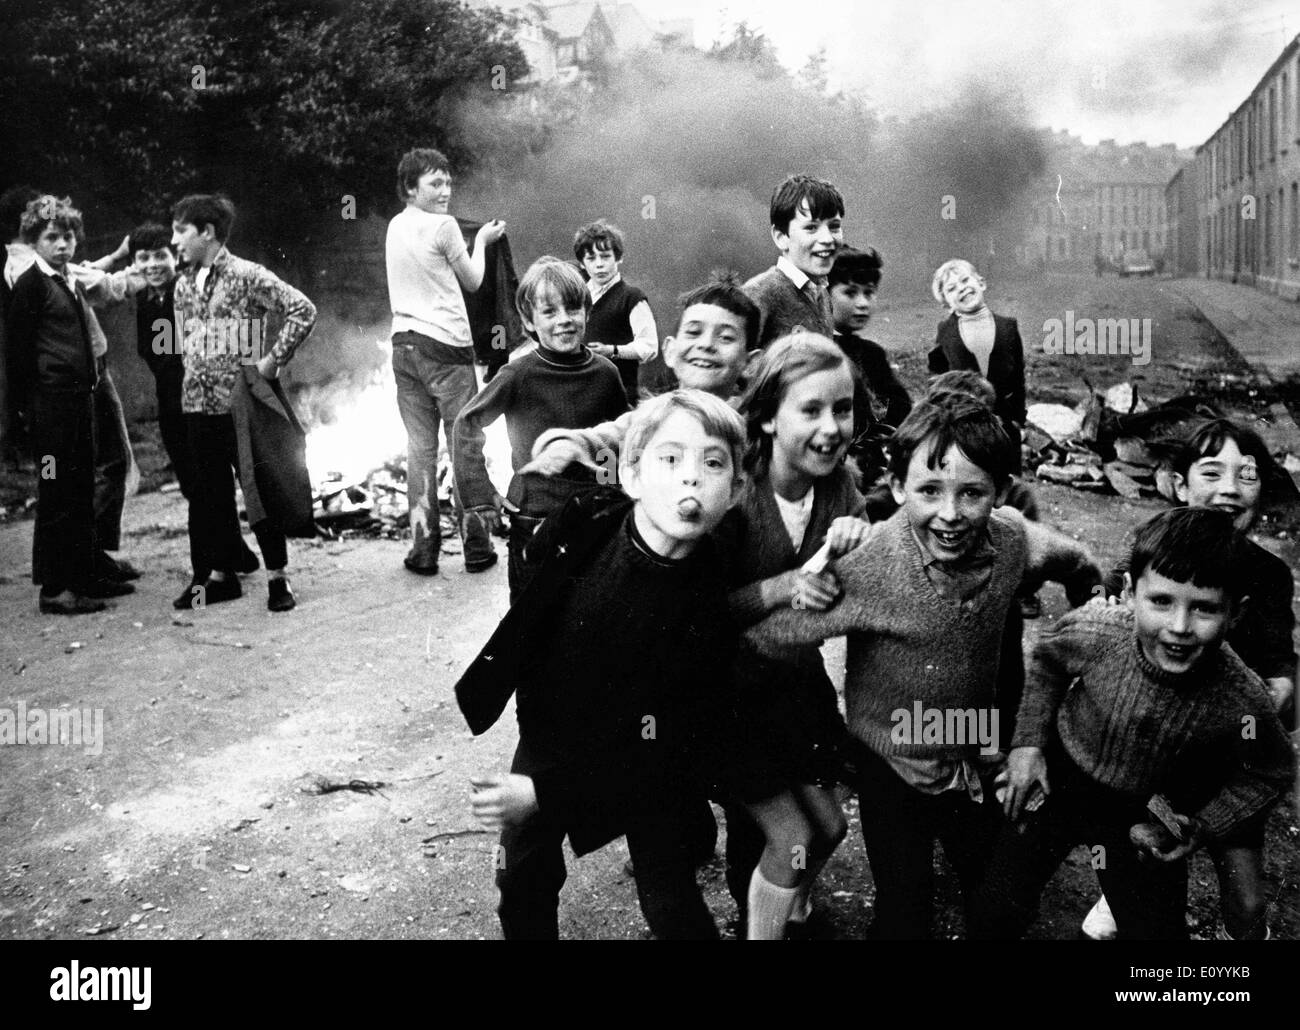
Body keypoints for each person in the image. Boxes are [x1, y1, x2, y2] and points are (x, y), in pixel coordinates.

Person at [746, 397, 1101, 938]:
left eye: (973, 493)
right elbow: (768, 638)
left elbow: (1075, 560)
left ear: (1002, 493)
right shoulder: (872, 565)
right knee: (903, 911)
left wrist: (1092, 597)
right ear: (896, 488)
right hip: (889, 758)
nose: (951, 514)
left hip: (971, 749)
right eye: (929, 491)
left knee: (999, 901)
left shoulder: (1011, 539)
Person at [458, 390, 746, 939]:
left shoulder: (707, 610)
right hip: (554, 730)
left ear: (733, 492)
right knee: (522, 874)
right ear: (632, 477)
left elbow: (664, 747)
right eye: (670, 459)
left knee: (669, 894)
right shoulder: (589, 517)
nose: (691, 478)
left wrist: (543, 794)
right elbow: (536, 593)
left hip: (644, 755)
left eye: (712, 463)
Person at [970, 508, 1295, 940]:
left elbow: (1268, 771)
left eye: (1204, 608)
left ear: (1236, 613)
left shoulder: (1240, 698)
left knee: (1154, 933)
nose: (1179, 627)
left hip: (1141, 812)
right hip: (1059, 781)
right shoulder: (1098, 631)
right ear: (1128, 593)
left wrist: (1203, 824)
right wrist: (1027, 745)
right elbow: (1050, 660)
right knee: (997, 908)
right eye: (1161, 601)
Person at [1081, 417, 1297, 942]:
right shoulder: (1144, 553)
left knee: (1246, 904)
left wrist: (1283, 687)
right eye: (1211, 472)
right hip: (1152, 752)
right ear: (1178, 486)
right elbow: (1101, 619)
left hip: (1225, 757)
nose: (1228, 489)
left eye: (1246, 476)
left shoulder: (1267, 574)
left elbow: (1278, 659)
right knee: (1142, 862)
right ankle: (1121, 895)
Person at [714, 333, 868, 939]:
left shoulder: (840, 489)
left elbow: (853, 583)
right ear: (770, 418)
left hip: (796, 688)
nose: (831, 428)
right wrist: (780, 588)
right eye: (810, 410)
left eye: (843, 408)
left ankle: (788, 902)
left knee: (829, 829)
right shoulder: (735, 494)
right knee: (791, 835)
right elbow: (701, 613)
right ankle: (763, 927)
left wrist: (859, 543)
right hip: (729, 697)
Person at [170, 193, 316, 612]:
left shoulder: (246, 275)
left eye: (181, 231)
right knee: (210, 494)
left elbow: (302, 310)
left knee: (259, 488)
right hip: (197, 406)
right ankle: (220, 577)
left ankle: (278, 580)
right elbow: (186, 343)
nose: (174, 240)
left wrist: (270, 363)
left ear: (207, 232)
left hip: (241, 404)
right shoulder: (182, 285)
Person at [453, 257, 627, 601]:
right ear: (529, 322)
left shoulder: (607, 373)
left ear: (587, 313)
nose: (564, 320)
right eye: (549, 312)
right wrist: (480, 494)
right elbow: (467, 422)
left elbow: (616, 441)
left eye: (573, 308)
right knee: (531, 613)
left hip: (592, 516)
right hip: (534, 516)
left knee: (588, 608)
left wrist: (612, 494)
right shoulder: (518, 373)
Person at [4, 196, 136, 613]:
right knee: (57, 491)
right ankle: (55, 589)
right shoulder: (30, 286)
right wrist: (26, 413)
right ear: (33, 241)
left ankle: (84, 576)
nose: (62, 244)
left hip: (78, 399)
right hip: (52, 406)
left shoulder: (66, 279)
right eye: (51, 237)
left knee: (79, 488)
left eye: (68, 236)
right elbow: (18, 355)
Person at [385, 147, 505, 576]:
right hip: (447, 351)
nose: (446, 191)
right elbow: (472, 282)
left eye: (448, 182)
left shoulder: (395, 226)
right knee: (465, 445)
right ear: (410, 188)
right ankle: (477, 548)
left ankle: (423, 552)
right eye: (435, 183)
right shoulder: (445, 226)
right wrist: (484, 243)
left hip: (403, 349)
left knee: (419, 452)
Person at [524, 272, 760, 478]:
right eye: (694, 332)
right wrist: (566, 444)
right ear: (669, 351)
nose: (706, 344)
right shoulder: (654, 415)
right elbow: (609, 436)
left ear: (750, 363)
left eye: (726, 337)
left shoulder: (759, 426)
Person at [129, 222, 258, 574]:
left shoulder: (186, 293)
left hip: (199, 401)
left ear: (175, 258)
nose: (152, 264)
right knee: (193, 482)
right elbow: (154, 352)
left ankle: (217, 568)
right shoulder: (145, 298)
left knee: (205, 483)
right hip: (171, 402)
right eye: (143, 258)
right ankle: (233, 551)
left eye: (160, 256)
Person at [927, 259, 1025, 470]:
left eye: (965, 280)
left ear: (981, 283)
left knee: (1006, 486)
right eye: (952, 289)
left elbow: (1018, 377)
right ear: (947, 303)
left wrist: (1018, 420)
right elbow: (936, 380)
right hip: (963, 427)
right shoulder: (946, 333)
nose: (961, 288)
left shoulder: (1008, 327)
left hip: (1004, 427)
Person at [743, 175, 841, 349]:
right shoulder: (759, 295)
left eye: (834, 226)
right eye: (811, 228)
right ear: (781, 237)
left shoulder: (822, 296)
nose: (827, 238)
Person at [572, 220, 657, 405]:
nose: (599, 265)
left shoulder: (632, 297)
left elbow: (649, 348)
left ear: (618, 258)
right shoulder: (578, 296)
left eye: (605, 256)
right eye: (591, 258)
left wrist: (613, 351)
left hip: (618, 395)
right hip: (580, 393)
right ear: (581, 263)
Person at [828, 245, 911, 427]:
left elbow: (902, 411)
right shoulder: (812, 353)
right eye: (850, 292)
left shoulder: (871, 354)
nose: (863, 303)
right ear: (824, 294)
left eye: (869, 292)